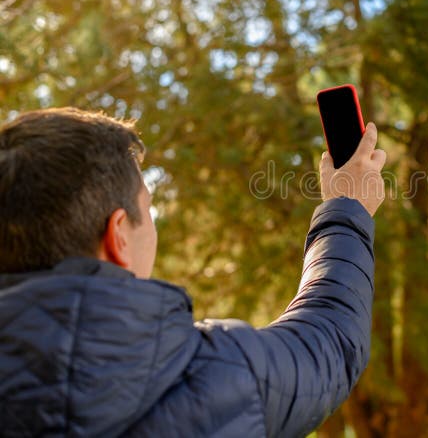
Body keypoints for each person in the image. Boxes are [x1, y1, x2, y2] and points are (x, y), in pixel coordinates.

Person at [0, 107, 386, 437]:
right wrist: (346, 206)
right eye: (147, 211)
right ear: (118, 236)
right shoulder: (213, 377)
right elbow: (327, 343)